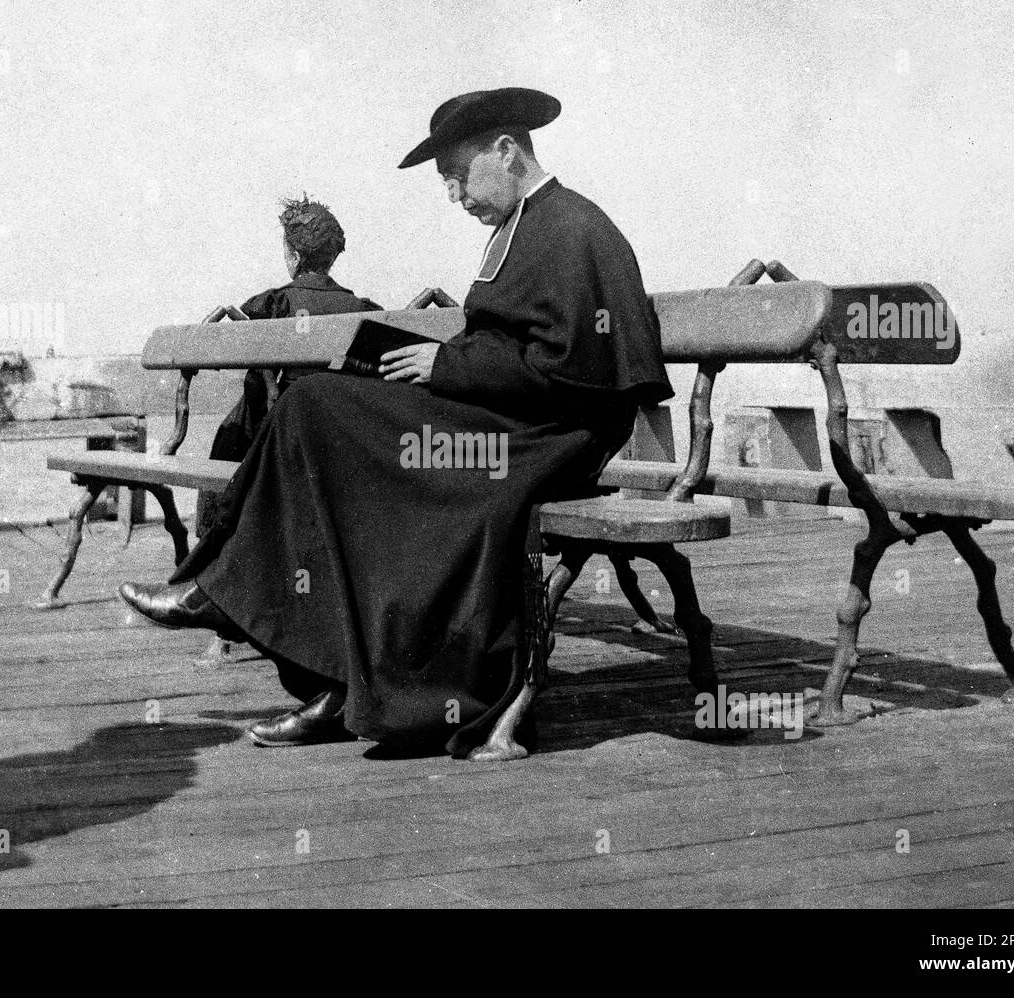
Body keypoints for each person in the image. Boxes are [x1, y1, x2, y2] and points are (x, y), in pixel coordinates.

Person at [121, 88, 670, 757]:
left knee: (318, 412)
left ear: (506, 150)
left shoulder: (577, 229)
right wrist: (419, 365)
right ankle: (322, 673)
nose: (455, 197)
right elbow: (515, 350)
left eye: (458, 177)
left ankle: (233, 602)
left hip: (539, 447)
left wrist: (449, 369)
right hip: (501, 425)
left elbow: (582, 380)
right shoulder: (527, 224)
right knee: (313, 406)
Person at [197, 195, 382, 534]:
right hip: (339, 431)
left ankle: (213, 532)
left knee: (233, 429)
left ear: (294, 257)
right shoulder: (360, 307)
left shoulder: (275, 303)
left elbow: (256, 383)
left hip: (283, 426)